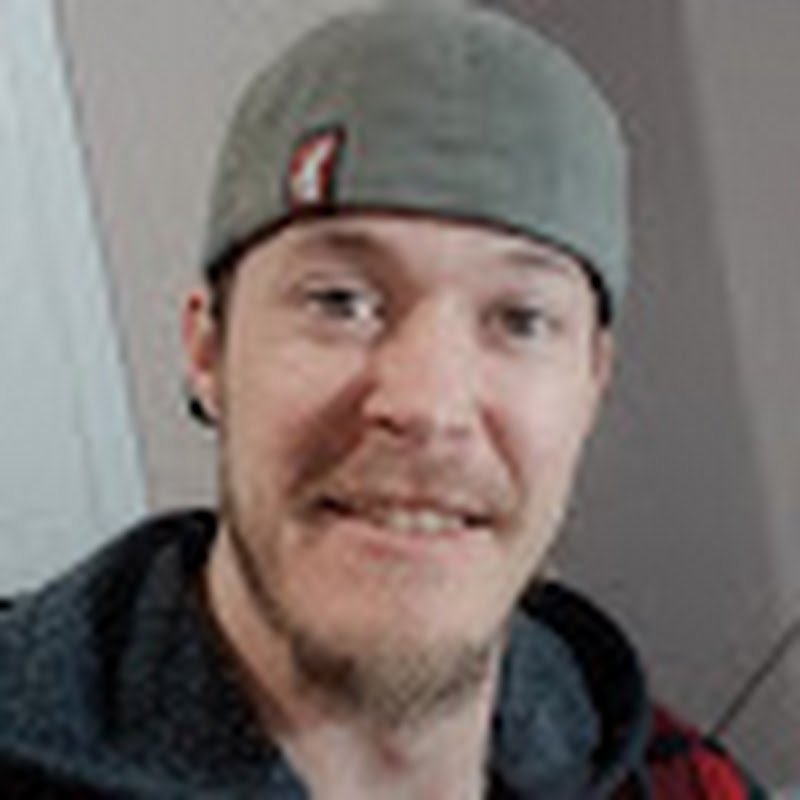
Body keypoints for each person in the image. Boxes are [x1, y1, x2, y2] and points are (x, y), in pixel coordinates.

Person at [0, 6, 766, 798]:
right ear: (208, 349)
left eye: (520, 319)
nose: (429, 407)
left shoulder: (686, 782)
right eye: (340, 301)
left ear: (591, 384)